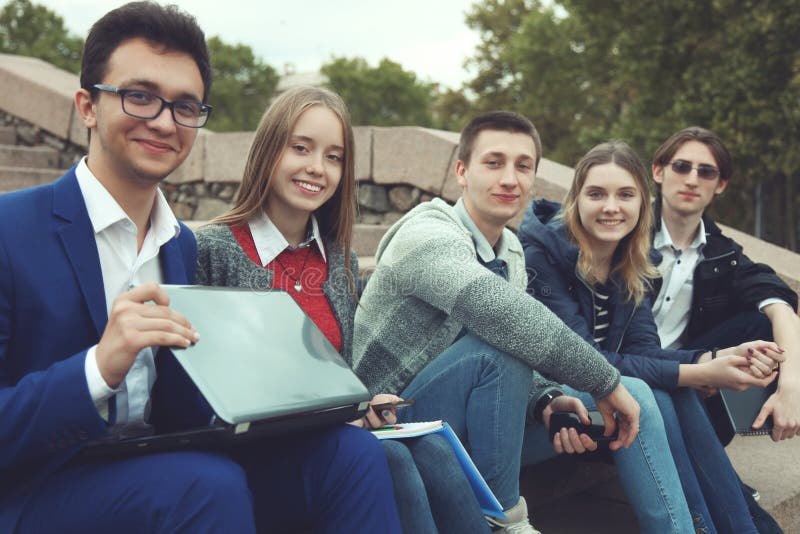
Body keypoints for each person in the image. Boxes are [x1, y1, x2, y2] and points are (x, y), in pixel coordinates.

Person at [0, 4, 401, 533]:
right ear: (87, 106)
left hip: (169, 462)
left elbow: (191, 411)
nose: (165, 121)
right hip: (41, 486)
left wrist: (319, 403)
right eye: (139, 96)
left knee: (352, 454)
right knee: (205, 485)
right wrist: (97, 368)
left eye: (185, 106)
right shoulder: (11, 230)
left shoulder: (183, 246)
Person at [352, 111, 703, 533]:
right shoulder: (428, 233)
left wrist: (549, 399)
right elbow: (500, 316)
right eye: (494, 163)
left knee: (640, 395)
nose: (509, 179)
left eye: (523, 166)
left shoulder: (511, 249)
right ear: (461, 172)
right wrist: (602, 381)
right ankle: (506, 519)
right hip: (391, 417)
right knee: (503, 347)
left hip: (469, 416)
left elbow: (509, 360)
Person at [195, 85, 487, 534]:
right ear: (270, 150)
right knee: (382, 454)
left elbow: (333, 378)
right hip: (251, 462)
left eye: (334, 157)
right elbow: (202, 390)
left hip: (330, 445)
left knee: (432, 448)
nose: (317, 168)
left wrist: (362, 405)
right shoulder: (214, 249)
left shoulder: (339, 261)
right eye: (301, 148)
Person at [519, 140, 784, 533]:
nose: (611, 207)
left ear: (643, 204)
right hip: (542, 412)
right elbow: (583, 361)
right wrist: (702, 371)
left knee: (663, 391)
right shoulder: (540, 256)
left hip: (602, 401)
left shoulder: (632, 261)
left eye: (625, 195)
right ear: (576, 200)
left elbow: (644, 350)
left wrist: (716, 358)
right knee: (646, 393)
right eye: (596, 194)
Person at [650, 127, 800, 532]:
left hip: (687, 380)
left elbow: (780, 304)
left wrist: (791, 387)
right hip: (631, 370)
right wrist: (699, 365)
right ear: (659, 171)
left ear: (720, 185)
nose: (693, 178)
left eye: (706, 171)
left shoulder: (722, 254)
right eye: (682, 166)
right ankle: (739, 503)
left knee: (760, 320)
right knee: (672, 404)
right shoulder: (623, 230)